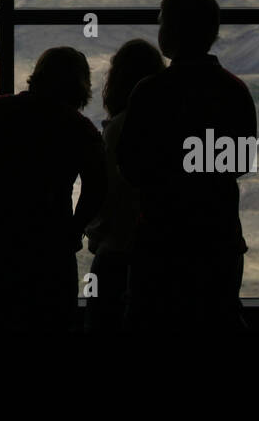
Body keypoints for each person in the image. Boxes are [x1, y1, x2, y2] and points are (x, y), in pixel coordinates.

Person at [117, 0, 257, 332]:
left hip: (161, 242)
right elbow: (239, 163)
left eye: (163, 22)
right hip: (218, 240)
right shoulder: (234, 91)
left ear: (175, 31)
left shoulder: (150, 92)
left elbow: (131, 167)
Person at [0, 46, 107, 332]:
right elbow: (98, 186)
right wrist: (74, 228)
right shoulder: (78, 128)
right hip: (50, 253)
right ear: (79, 85)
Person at [84, 38, 163, 333]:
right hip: (161, 255)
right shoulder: (169, 123)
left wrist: (95, 234)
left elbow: (106, 195)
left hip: (116, 253)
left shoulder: (118, 129)